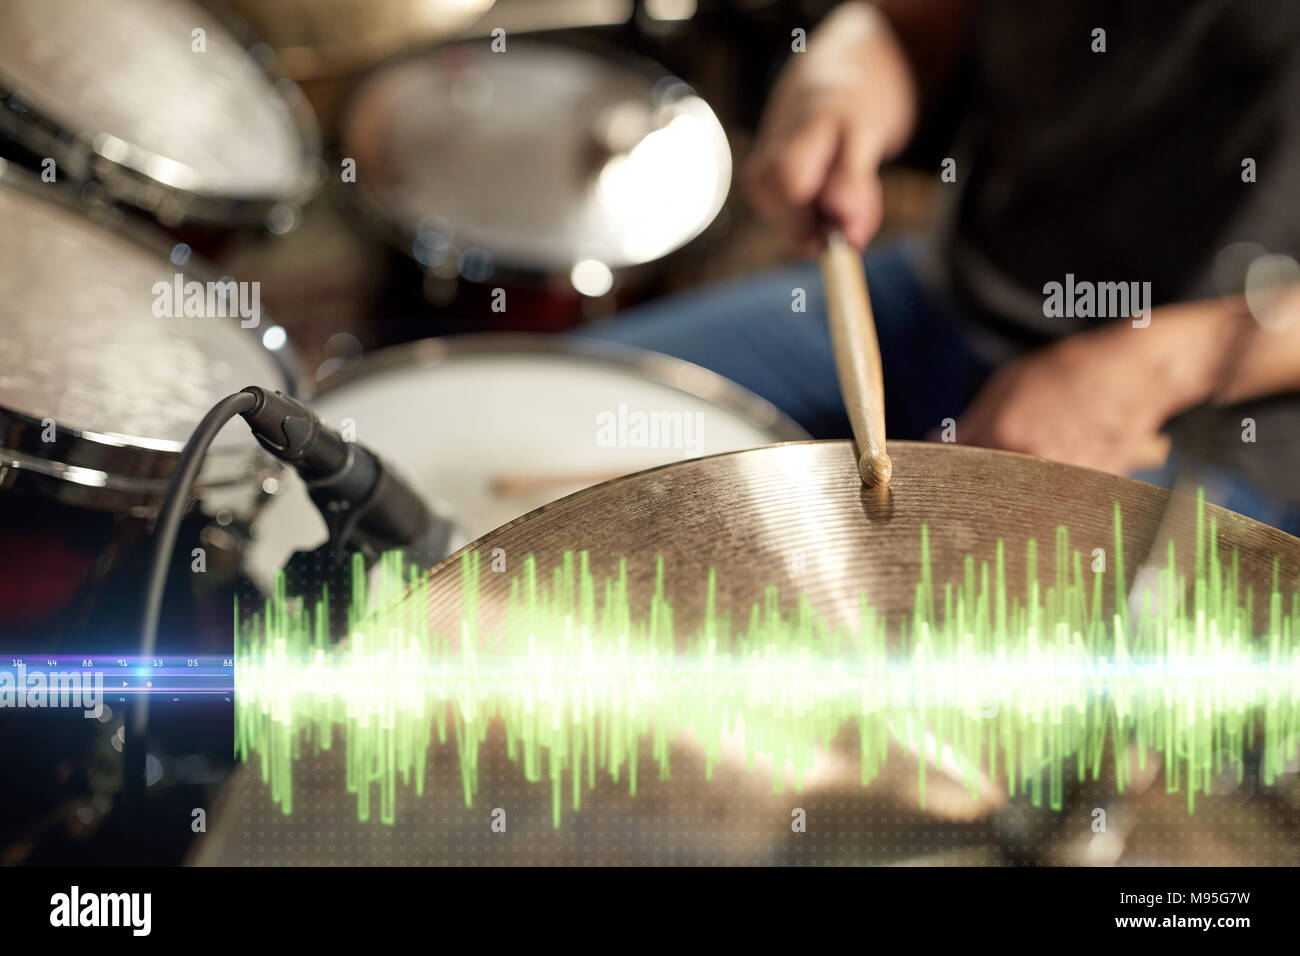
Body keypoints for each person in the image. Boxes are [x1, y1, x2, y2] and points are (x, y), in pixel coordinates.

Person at [577, 0, 1300, 535]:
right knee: (532, 430)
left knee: (956, 707)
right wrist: (846, 72)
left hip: (1215, 412)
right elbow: (914, 21)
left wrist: (1158, 366)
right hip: (937, 298)